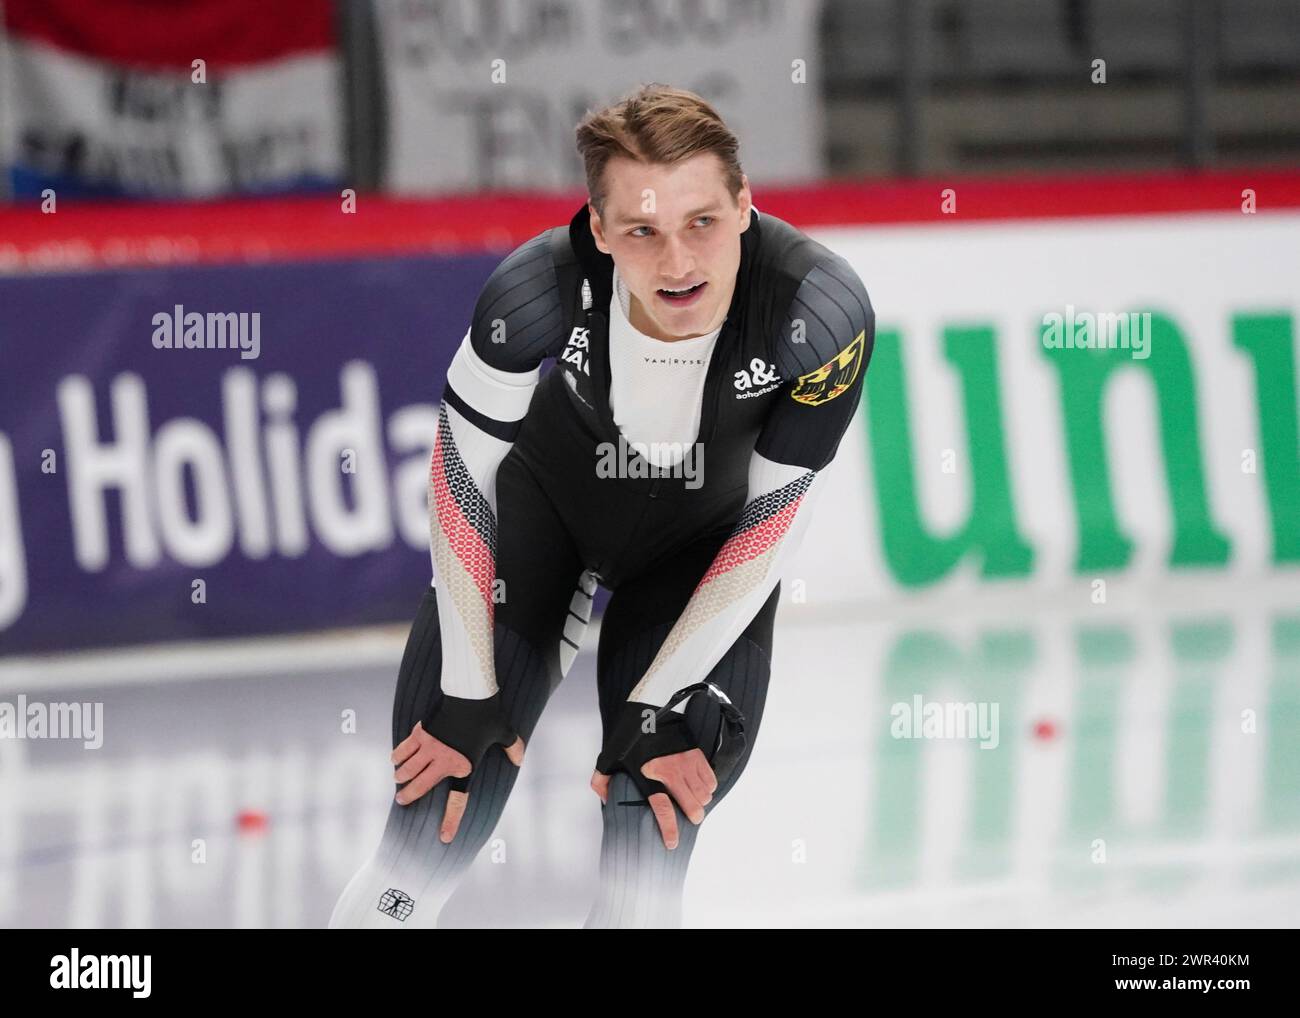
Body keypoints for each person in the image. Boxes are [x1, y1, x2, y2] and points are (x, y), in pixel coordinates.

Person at [328, 82, 875, 929]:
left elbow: (771, 528)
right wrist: (472, 692)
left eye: (702, 222)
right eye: (642, 232)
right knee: (431, 821)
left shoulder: (817, 314)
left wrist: (658, 704)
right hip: (545, 521)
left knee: (644, 836)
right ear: (599, 234)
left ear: (745, 207)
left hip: (703, 560)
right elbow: (461, 475)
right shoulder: (538, 290)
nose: (678, 262)